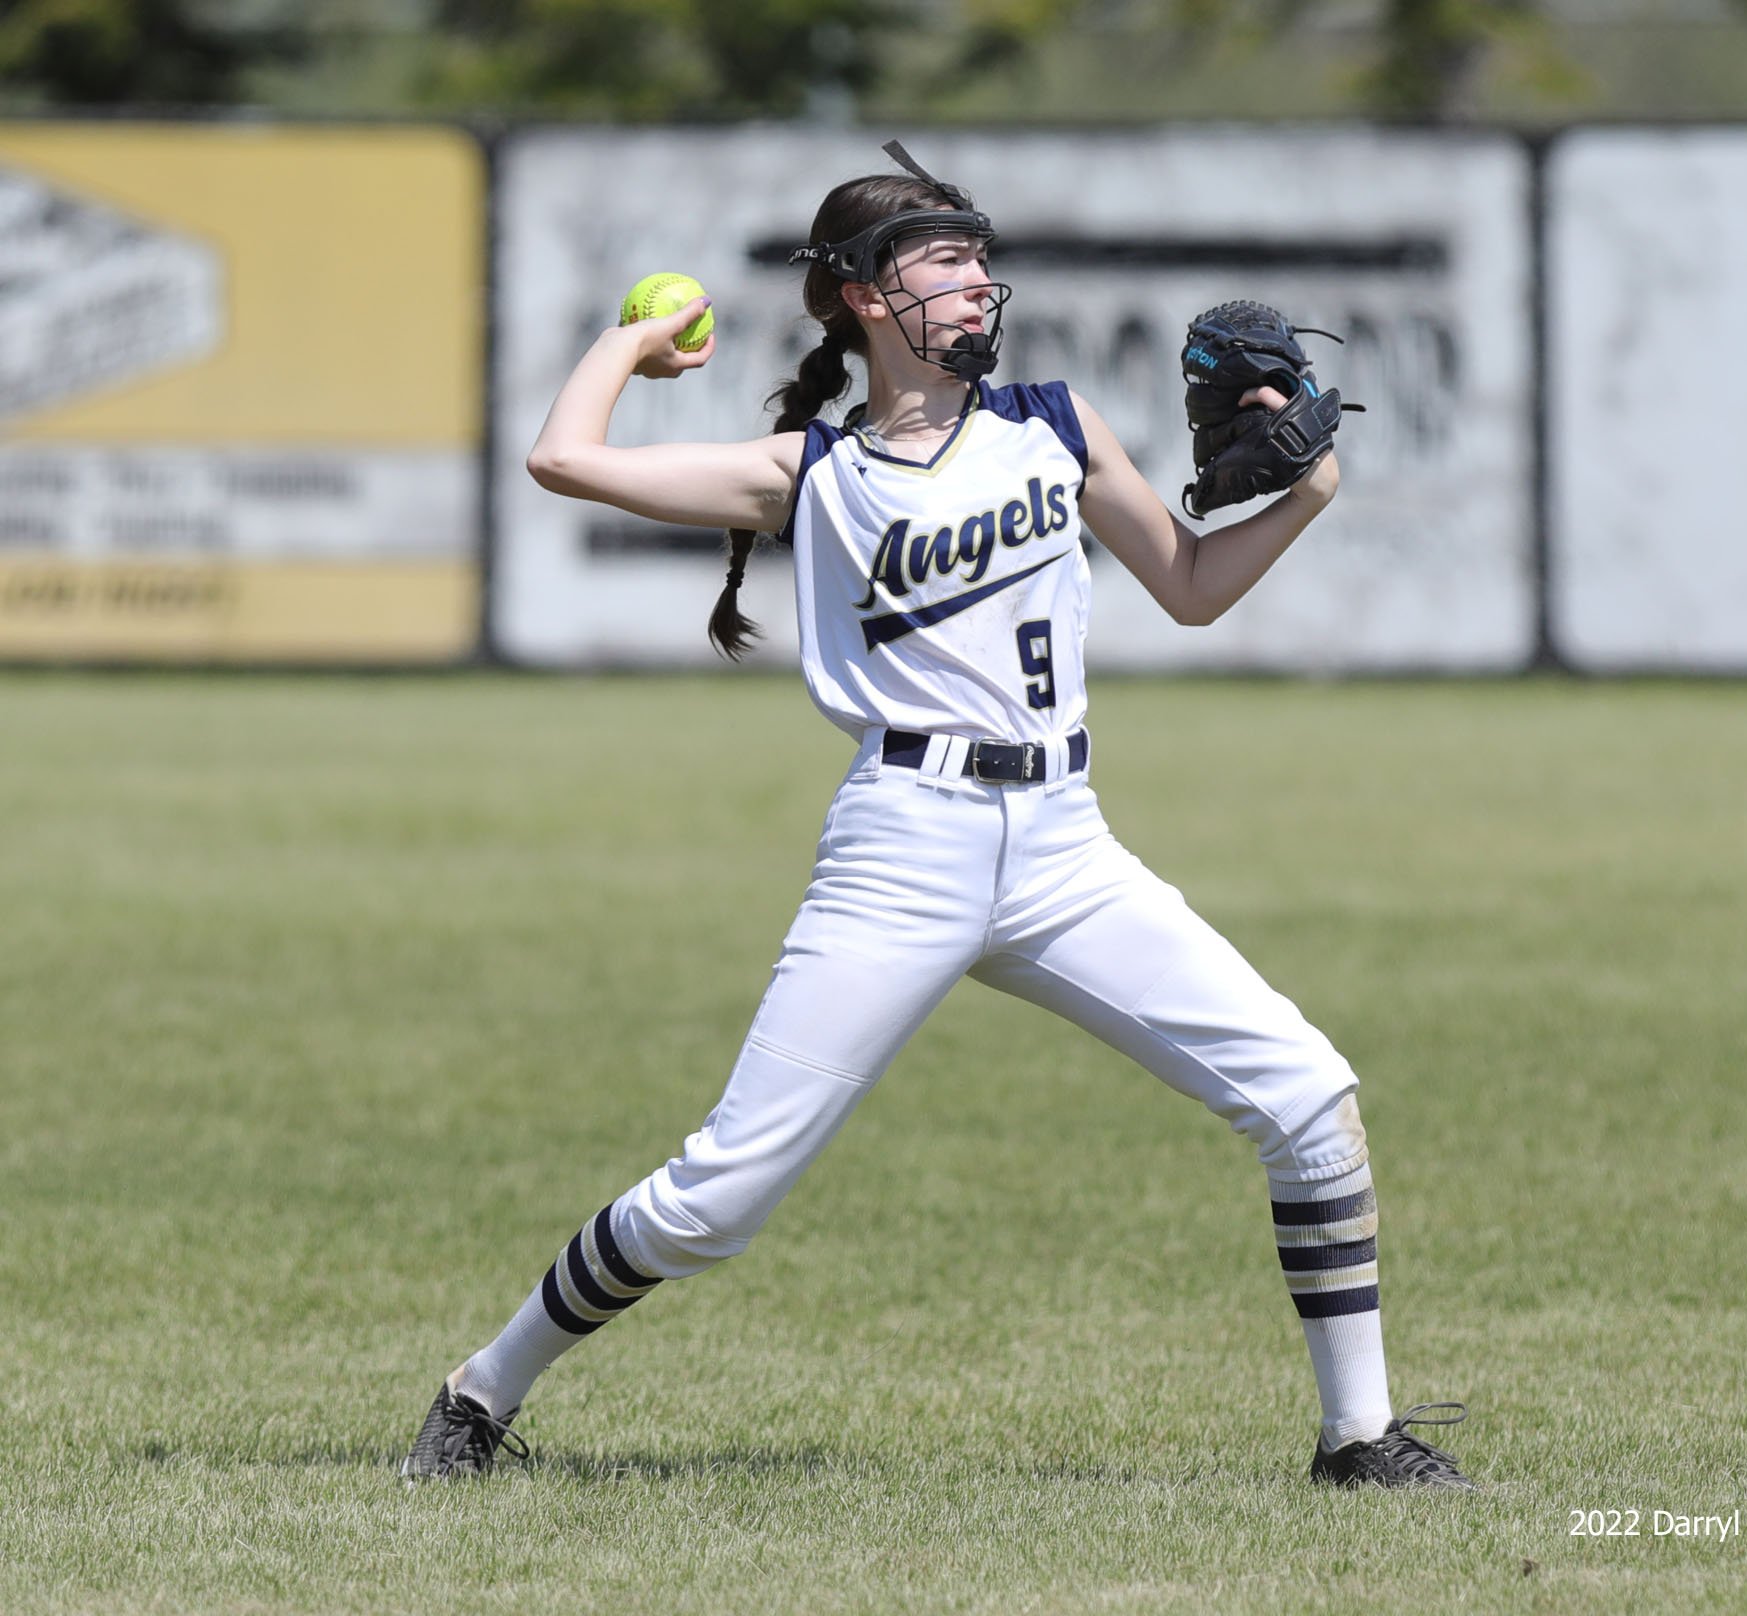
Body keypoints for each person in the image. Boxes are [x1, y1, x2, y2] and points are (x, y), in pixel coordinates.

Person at [400, 144, 1472, 1491]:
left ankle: (1360, 1441)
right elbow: (563, 457)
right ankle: (481, 1391)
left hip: (1066, 844)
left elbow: (1193, 587)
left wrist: (1310, 489)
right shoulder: (811, 471)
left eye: (979, 258)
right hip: (904, 846)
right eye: (944, 260)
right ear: (863, 295)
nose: (977, 281)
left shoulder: (1056, 424)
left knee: (1309, 1096)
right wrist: (634, 342)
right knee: (719, 1198)